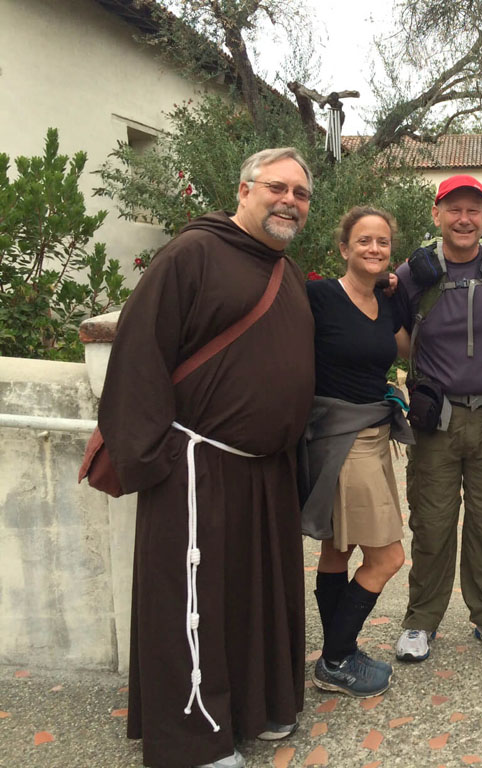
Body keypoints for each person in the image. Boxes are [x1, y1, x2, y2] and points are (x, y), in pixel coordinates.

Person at [98, 148, 317, 768]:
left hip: (264, 470)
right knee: (193, 601)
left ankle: (254, 709)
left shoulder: (287, 270)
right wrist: (154, 455)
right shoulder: (191, 254)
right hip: (196, 468)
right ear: (243, 190)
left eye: (301, 194)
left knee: (253, 598)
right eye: (278, 187)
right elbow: (139, 353)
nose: (289, 201)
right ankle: (193, 741)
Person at [391, 175, 482, 663]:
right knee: (431, 525)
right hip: (437, 422)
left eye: (475, 209)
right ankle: (420, 621)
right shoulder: (413, 274)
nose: (465, 219)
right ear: (437, 214)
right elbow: (389, 328)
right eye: (455, 209)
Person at [301, 206, 413, 699]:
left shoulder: (386, 301)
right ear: (343, 248)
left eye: (382, 242)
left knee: (338, 548)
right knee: (388, 556)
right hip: (338, 438)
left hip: (373, 431)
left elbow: (405, 349)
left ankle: (337, 652)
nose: (373, 249)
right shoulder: (319, 296)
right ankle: (336, 657)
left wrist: (405, 292)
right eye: (363, 241)